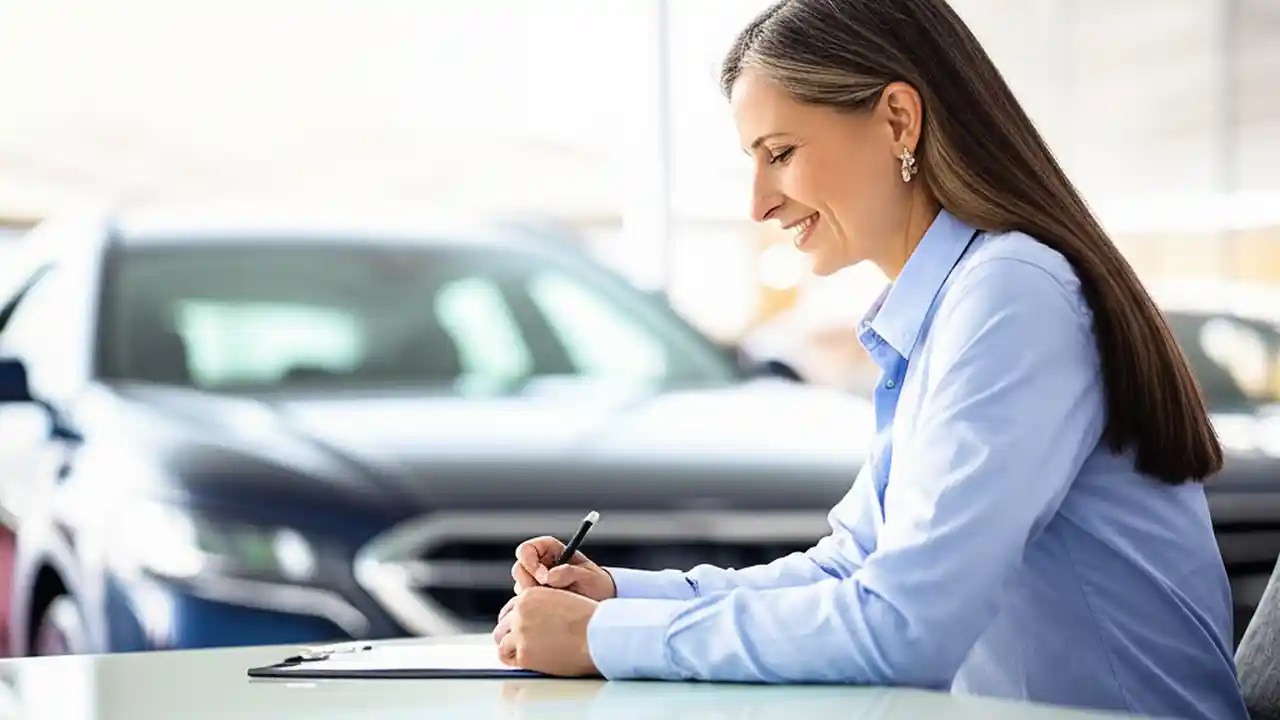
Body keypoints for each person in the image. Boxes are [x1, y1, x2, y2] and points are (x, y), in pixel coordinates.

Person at [491, 1, 1247, 716]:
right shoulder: (956, 303)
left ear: (897, 119)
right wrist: (618, 597)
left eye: (780, 155)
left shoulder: (1011, 294)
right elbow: (848, 570)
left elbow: (900, 630)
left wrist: (601, 641)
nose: (759, 204)